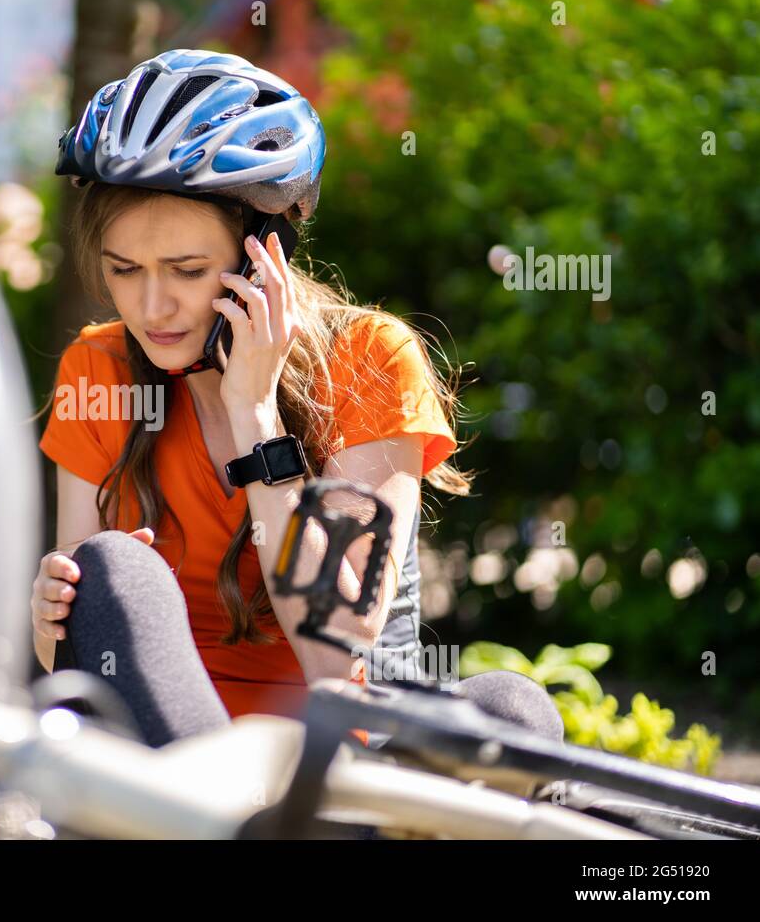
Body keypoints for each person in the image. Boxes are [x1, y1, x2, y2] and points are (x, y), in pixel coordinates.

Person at [32, 48, 562, 750]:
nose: (151, 305)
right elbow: (75, 657)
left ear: (264, 258)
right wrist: (53, 617)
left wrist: (257, 420)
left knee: (512, 709)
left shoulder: (370, 359)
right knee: (109, 571)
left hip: (334, 776)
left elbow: (336, 651)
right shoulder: (98, 369)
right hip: (173, 777)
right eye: (124, 270)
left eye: (186, 271)